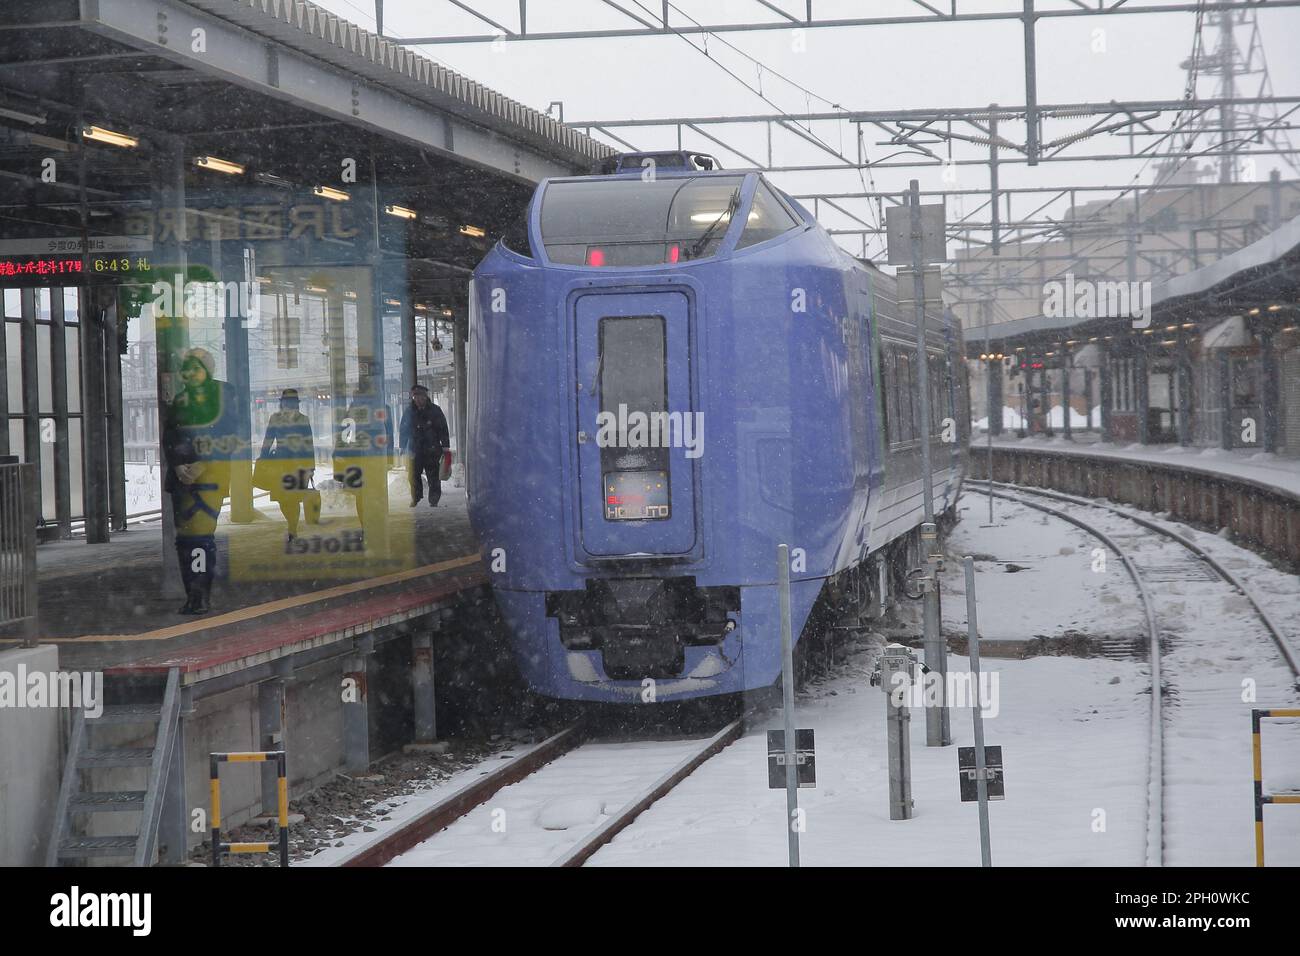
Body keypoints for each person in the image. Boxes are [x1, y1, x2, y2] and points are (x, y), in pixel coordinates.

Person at [162, 348, 236, 615]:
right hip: (184, 478)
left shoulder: (224, 394)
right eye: (186, 369)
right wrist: (179, 465)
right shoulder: (180, 400)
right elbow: (169, 436)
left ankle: (200, 594)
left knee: (201, 537)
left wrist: (204, 462)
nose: (189, 374)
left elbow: (232, 430)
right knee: (185, 539)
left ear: (208, 369)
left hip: (210, 478)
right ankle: (193, 594)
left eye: (195, 368)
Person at [257, 388, 315, 541]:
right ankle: (292, 524)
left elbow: (308, 443)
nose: (289, 405)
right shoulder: (277, 418)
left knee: (291, 498)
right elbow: (268, 439)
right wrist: (263, 458)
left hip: (292, 464)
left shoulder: (300, 419)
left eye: (291, 402)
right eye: (287, 402)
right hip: (286, 464)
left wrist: (311, 467)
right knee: (285, 499)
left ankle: (292, 528)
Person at [399, 384, 449, 507]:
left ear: (425, 397)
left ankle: (434, 499)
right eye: (415, 397)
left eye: (420, 397)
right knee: (413, 475)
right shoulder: (409, 411)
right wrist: (402, 446)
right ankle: (416, 497)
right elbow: (403, 429)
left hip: (432, 448)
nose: (417, 400)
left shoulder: (435, 410)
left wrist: (445, 445)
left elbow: (443, 428)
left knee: (433, 475)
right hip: (415, 449)